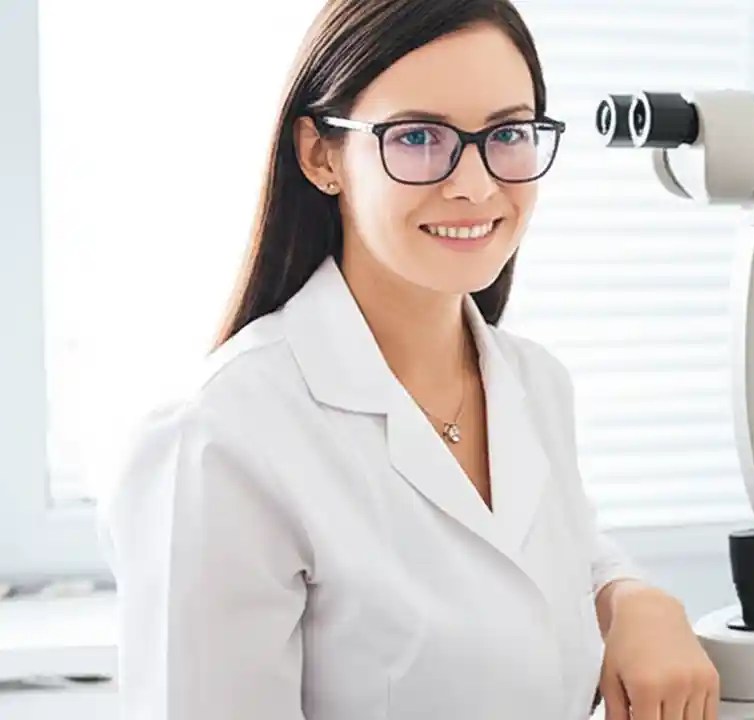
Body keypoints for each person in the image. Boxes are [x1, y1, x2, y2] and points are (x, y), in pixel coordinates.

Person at [96, 0, 721, 717]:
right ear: (320, 155)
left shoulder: (533, 383)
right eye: (419, 136)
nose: (476, 184)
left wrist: (634, 600)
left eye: (508, 133)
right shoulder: (217, 439)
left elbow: (558, 559)